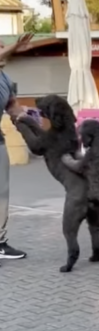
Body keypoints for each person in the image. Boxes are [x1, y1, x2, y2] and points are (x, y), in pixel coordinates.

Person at [0, 32, 33, 263]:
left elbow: (12, 107)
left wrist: (28, 121)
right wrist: (14, 46)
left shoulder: (5, 78)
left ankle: (0, 244)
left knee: (1, 193)